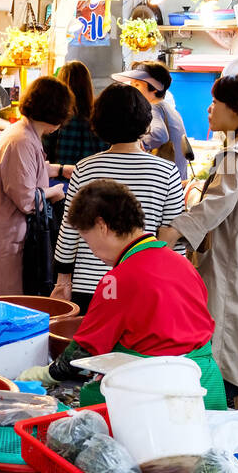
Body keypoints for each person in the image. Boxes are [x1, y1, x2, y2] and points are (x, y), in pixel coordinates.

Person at [23, 181, 225, 410]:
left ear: (102, 226)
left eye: (86, 239)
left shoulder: (118, 279)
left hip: (158, 398)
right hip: (206, 387)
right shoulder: (183, 264)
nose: (92, 251)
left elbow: (85, 349)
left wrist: (44, 373)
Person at [159, 73, 238, 410]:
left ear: (236, 112)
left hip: (231, 258)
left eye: (217, 104)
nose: (210, 110)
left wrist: (172, 232)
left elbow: (216, 205)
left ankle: (234, 435)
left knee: (224, 341)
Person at [52, 84, 184, 313]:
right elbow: (173, 235)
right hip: (143, 285)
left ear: (100, 124)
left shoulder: (84, 169)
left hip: (89, 287)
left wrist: (63, 279)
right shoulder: (166, 171)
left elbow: (69, 229)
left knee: (92, 347)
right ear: (145, 123)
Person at [0, 77, 71, 296]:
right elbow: (28, 199)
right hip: (3, 236)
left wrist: (59, 170)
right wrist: (56, 191)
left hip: (4, 230)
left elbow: (28, 171)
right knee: (1, 297)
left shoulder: (25, 133)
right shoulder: (20, 140)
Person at [114, 61, 189, 180]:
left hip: (165, 179)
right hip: (176, 179)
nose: (133, 90)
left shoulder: (154, 107)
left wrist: (136, 144)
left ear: (154, 88)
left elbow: (159, 135)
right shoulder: (168, 108)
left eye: (137, 85)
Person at [42, 61, 107, 170]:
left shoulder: (55, 117)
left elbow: (44, 154)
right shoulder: (100, 117)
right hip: (93, 181)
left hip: (60, 181)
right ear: (88, 84)